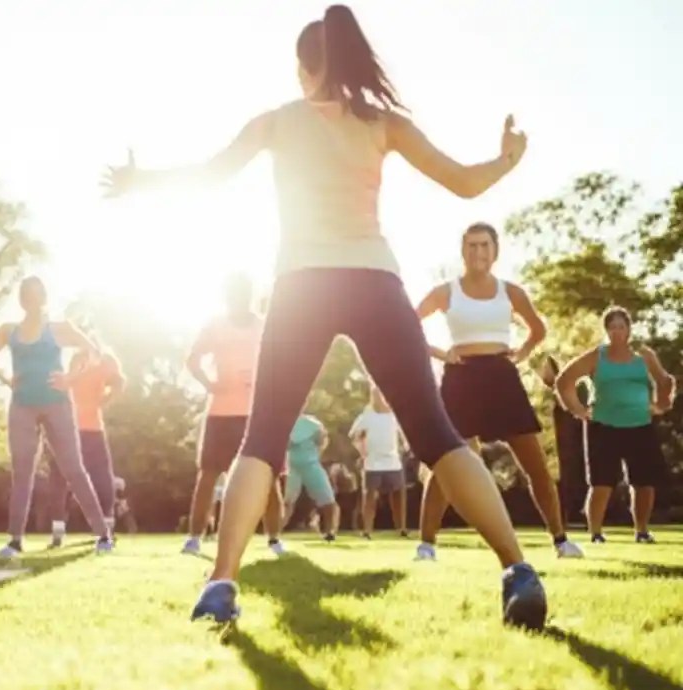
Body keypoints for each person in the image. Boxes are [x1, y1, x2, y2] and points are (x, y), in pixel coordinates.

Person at [104, 4, 548, 628]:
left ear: (301, 69)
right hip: (374, 281)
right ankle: (518, 570)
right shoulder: (381, 122)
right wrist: (508, 159)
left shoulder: (278, 122)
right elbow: (466, 183)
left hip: (303, 285)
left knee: (261, 438)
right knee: (436, 432)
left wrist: (138, 181)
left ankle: (221, 584)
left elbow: (208, 177)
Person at [414, 222, 582, 561]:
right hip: (460, 379)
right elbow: (408, 322)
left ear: (495, 251)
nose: (479, 252)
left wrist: (520, 354)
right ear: (463, 251)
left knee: (535, 465)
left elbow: (538, 329)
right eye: (472, 246)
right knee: (447, 464)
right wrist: (440, 352)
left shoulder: (511, 292)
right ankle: (427, 545)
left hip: (502, 378)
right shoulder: (446, 291)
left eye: (485, 246)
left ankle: (561, 541)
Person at [0, 276, 114, 558]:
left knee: (74, 469)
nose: (32, 300)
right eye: (26, 295)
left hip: (57, 405)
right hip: (22, 406)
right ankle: (15, 540)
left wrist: (71, 378)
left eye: (36, 295)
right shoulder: (9, 331)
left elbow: (94, 351)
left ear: (43, 298)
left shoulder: (58, 329)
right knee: (22, 473)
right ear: (21, 300)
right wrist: (6, 379)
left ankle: (103, 534)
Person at [555, 306, 675, 544]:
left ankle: (642, 531)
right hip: (603, 426)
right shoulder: (595, 356)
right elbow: (563, 380)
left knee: (644, 482)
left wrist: (661, 404)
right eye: (612, 327)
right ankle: (596, 533)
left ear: (629, 329)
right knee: (601, 483)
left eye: (622, 326)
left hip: (640, 425)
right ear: (607, 330)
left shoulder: (644, 355)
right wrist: (577, 409)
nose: (617, 332)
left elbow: (665, 380)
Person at [184, 275, 284, 557]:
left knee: (269, 476)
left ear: (249, 294)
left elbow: (279, 364)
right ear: (226, 295)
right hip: (220, 413)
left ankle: (274, 540)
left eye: (242, 292)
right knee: (208, 475)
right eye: (233, 293)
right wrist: (210, 384)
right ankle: (194, 539)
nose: (237, 297)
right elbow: (192, 360)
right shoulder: (215, 325)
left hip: (258, 414)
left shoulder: (265, 327)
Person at [46, 341, 125, 548]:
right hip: (71, 426)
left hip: (84, 428)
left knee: (97, 477)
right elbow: (119, 383)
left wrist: (103, 401)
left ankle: (103, 526)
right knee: (62, 478)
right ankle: (59, 530)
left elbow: (118, 383)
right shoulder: (77, 359)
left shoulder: (102, 359)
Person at [350, 387, 409, 539]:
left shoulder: (394, 416)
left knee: (398, 494)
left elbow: (403, 434)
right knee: (369, 495)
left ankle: (401, 528)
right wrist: (362, 452)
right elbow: (355, 436)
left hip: (393, 461)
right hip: (373, 463)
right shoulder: (367, 416)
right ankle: (367, 530)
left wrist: (407, 446)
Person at [539, 354, 591, 527]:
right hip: (551, 448)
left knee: (572, 479)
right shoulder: (539, 396)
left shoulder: (567, 390)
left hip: (569, 447)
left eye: (546, 368)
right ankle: (561, 518)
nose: (542, 373)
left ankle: (577, 516)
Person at [283, 413, 338, 541]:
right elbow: (286, 443)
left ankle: (330, 532)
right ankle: (276, 533)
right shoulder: (285, 422)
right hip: (292, 467)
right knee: (287, 501)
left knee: (328, 499)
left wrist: (319, 448)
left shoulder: (312, 423)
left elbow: (323, 438)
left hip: (311, 465)